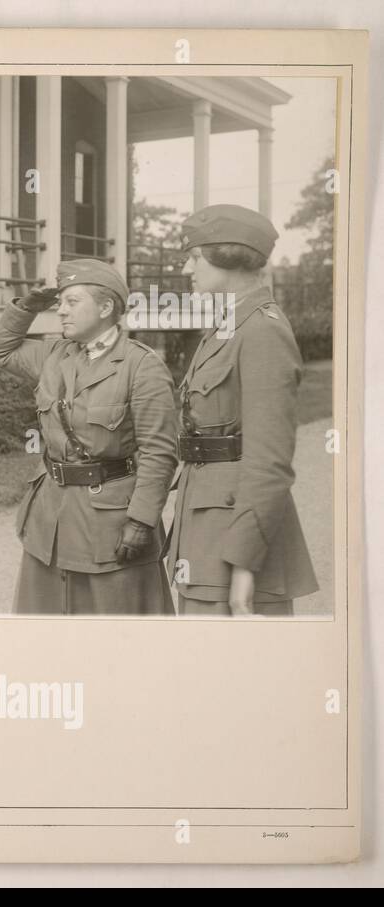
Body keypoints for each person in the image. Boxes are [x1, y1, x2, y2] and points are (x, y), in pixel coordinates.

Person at [0, 259, 179, 615]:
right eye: (60, 302)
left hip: (109, 525)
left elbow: (159, 452)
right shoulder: (55, 355)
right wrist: (27, 308)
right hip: (51, 522)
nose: (61, 311)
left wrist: (141, 521)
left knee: (115, 633)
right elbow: (0, 351)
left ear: (106, 308)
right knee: (45, 632)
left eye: (72, 302)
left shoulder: (141, 366)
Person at [167, 204, 318, 615]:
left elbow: (269, 461)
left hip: (235, 545)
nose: (186, 268)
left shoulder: (262, 330)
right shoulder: (228, 326)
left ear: (226, 256)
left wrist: (244, 565)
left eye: (194, 256)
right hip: (205, 531)